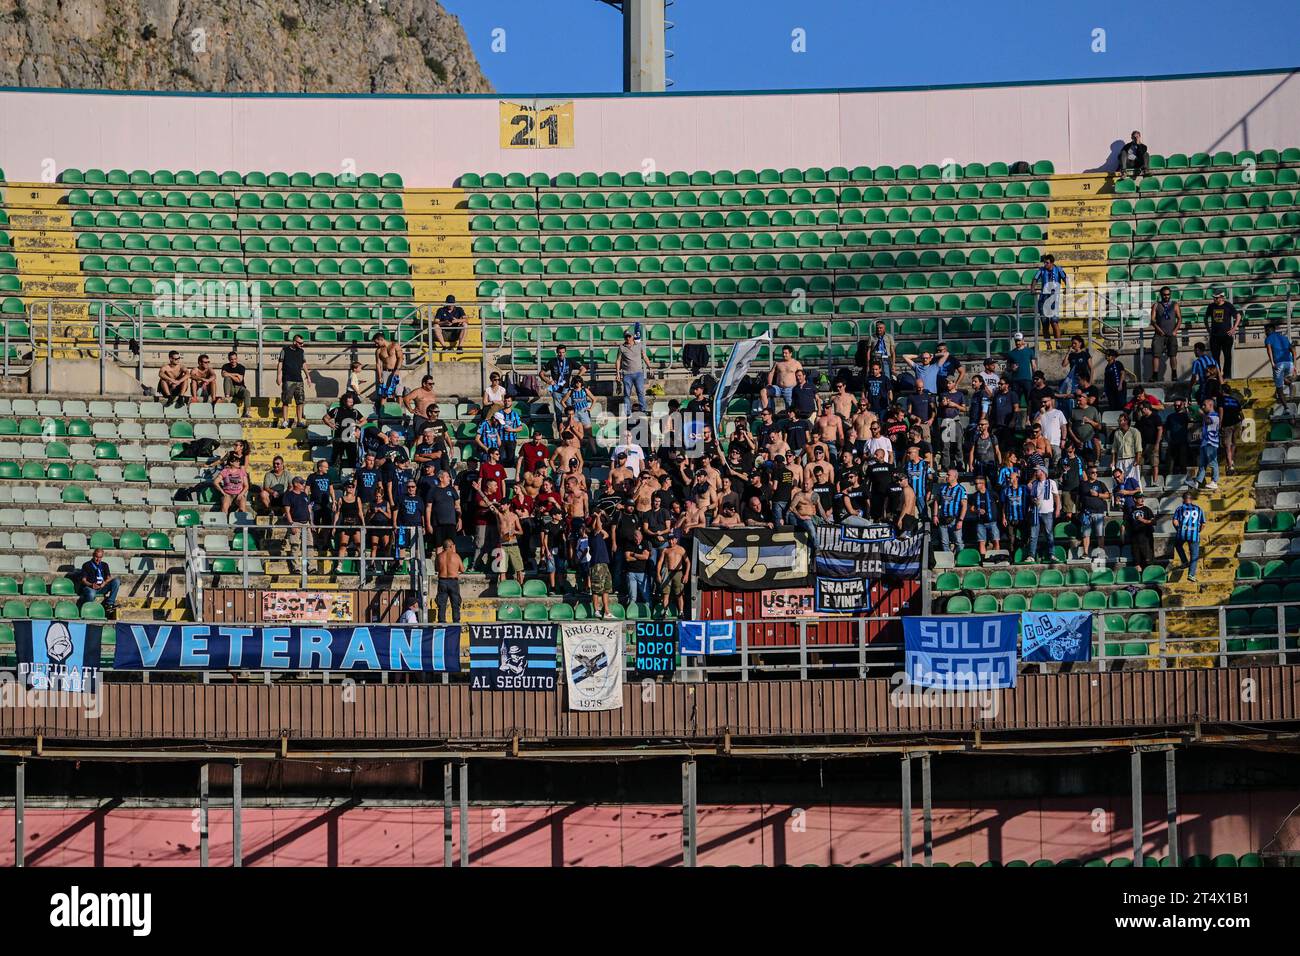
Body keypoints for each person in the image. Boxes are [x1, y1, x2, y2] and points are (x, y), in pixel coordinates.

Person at [1030, 254, 1067, 348]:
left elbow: (1065, 278)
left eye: (1047, 262)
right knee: (1045, 323)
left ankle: (1058, 343)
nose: (1045, 264)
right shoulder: (1041, 270)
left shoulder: (1058, 269)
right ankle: (1048, 344)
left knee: (1054, 322)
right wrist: (1033, 289)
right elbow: (1035, 279)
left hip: (1054, 299)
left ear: (1052, 262)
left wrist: (1068, 287)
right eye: (1044, 262)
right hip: (1043, 299)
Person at [1026, 465, 1060, 563]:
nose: (1035, 473)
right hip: (1036, 512)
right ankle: (1031, 555)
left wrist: (1057, 509)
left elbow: (1056, 497)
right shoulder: (1035, 484)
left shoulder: (1051, 482)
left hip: (1048, 512)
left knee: (1049, 534)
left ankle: (1052, 554)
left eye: (1037, 471)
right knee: (1033, 535)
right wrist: (1033, 500)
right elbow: (1031, 497)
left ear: (1043, 472)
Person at [1149, 287, 1182, 382]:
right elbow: (1152, 320)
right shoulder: (1156, 305)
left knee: (1173, 354)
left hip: (1171, 333)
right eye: (1164, 294)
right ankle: (1155, 375)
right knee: (1156, 354)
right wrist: (1158, 329)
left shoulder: (1174, 305)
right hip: (1159, 334)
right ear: (1161, 295)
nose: (1166, 296)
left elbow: (1179, 318)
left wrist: (1175, 330)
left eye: (1168, 294)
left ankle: (1174, 374)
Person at [1205, 290, 1240, 379]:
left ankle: (1227, 376)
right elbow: (1205, 318)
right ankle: (1218, 375)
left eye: (1216, 298)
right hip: (1215, 336)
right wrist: (1209, 330)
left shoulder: (1228, 306)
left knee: (1227, 357)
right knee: (1215, 357)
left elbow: (1238, 316)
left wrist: (1234, 328)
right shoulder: (1211, 306)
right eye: (1214, 298)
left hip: (1226, 336)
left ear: (1221, 297)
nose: (1214, 299)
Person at [324, 393, 364, 471]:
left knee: (352, 460)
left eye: (352, 402)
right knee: (336, 460)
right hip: (338, 439)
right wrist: (331, 424)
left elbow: (364, 420)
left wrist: (357, 426)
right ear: (344, 402)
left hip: (351, 440)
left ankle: (352, 477)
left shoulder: (355, 412)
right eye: (349, 402)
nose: (351, 404)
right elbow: (325, 418)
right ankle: (335, 477)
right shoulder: (337, 410)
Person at [275, 334, 309, 428]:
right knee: (286, 401)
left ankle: (299, 421)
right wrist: (278, 376)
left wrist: (308, 376)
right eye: (300, 343)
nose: (302, 345)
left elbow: (304, 364)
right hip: (288, 379)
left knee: (300, 401)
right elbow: (280, 363)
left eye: (303, 343)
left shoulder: (302, 351)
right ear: (294, 342)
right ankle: (285, 421)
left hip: (299, 380)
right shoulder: (285, 350)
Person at [76, 547, 120, 618]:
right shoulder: (86, 565)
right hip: (90, 587)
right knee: (92, 593)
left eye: (100, 557)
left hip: (101, 587)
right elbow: (83, 580)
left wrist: (104, 583)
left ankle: (109, 604)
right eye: (96, 557)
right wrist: (91, 585)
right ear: (93, 555)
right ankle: (87, 609)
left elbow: (109, 578)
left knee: (116, 581)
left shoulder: (104, 565)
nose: (98, 559)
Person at [1172, 490, 1205, 583]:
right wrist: (1198, 531)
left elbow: (1174, 521)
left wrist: (1179, 529)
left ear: (1183, 499)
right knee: (1194, 555)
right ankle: (1191, 574)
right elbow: (1203, 524)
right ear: (1192, 499)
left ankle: (1185, 561)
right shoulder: (1198, 509)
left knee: (1178, 545)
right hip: (1194, 534)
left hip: (1182, 533)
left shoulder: (1179, 508)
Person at [1078, 465, 1111, 558]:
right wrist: (1078, 510)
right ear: (1088, 474)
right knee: (1086, 534)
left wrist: (1097, 494)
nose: (1095, 474)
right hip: (1086, 512)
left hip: (1098, 512)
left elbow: (1108, 495)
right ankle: (1085, 553)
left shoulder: (1101, 484)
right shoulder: (1083, 484)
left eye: (1096, 472)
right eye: (1093, 472)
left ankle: (1102, 553)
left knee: (1100, 534)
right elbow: (1078, 498)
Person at [932, 468, 966, 555]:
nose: (946, 476)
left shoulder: (961, 489)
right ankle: (948, 560)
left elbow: (964, 506)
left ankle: (959, 559)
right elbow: (936, 501)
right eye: (946, 474)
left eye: (948, 475)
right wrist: (935, 515)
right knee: (944, 542)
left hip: (955, 519)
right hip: (943, 519)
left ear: (955, 477)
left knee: (958, 541)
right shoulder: (942, 488)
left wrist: (961, 520)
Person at [615, 330, 650, 414]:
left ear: (633, 336)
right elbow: (618, 360)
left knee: (640, 392)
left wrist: (650, 367)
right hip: (627, 374)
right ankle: (627, 412)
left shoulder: (639, 345)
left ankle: (643, 409)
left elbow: (644, 356)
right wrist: (617, 373)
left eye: (629, 336)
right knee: (627, 394)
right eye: (626, 336)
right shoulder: (621, 347)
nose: (628, 338)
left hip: (638, 373)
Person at [1265, 321, 1297, 408]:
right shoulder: (1284, 338)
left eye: (1265, 331)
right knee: (1283, 379)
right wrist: (1294, 366)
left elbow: (1269, 350)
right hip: (1289, 363)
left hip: (1279, 364)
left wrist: (1272, 362)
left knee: (1279, 389)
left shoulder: (1269, 338)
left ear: (1268, 330)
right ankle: (1291, 384)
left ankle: (1286, 408)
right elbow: (1294, 352)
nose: (1265, 333)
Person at [656, 534, 690, 619]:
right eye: (669, 540)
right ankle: (665, 611)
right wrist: (658, 574)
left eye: (672, 540)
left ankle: (681, 612)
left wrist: (686, 574)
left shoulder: (681, 549)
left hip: (678, 572)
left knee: (679, 593)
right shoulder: (665, 550)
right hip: (667, 572)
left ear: (676, 540)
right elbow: (660, 562)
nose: (671, 542)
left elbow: (688, 562)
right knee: (665, 593)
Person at [372, 332, 403, 418]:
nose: (376, 344)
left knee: (398, 393)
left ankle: (399, 413)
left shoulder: (395, 345)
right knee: (384, 394)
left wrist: (397, 369)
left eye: (376, 342)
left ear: (381, 339)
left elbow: (400, 357)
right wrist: (380, 376)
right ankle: (382, 413)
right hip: (385, 372)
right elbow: (378, 364)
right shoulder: (378, 350)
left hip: (396, 371)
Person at [1192, 397, 1221, 490]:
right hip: (1204, 442)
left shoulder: (1215, 416)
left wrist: (1202, 414)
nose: (1203, 407)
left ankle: (1214, 481)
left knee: (1213, 462)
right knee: (1202, 464)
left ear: (1211, 405)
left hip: (1211, 443)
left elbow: (1208, 421)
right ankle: (1197, 482)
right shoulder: (1208, 415)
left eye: (1205, 405)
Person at [763, 344, 803, 411]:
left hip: (790, 388)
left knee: (790, 408)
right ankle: (767, 412)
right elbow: (771, 373)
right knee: (763, 391)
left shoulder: (796, 363)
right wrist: (769, 383)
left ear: (790, 353)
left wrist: (800, 385)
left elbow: (802, 375)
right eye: (783, 353)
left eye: (786, 353)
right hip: (778, 388)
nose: (784, 355)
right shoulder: (778, 363)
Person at [969, 474, 1000, 556]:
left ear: (983, 484)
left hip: (992, 521)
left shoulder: (992, 493)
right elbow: (971, 508)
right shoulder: (974, 495)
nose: (975, 485)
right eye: (975, 484)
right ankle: (983, 558)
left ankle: (997, 557)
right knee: (981, 542)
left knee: (996, 540)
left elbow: (998, 502)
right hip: (981, 523)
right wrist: (977, 511)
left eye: (977, 484)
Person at [1000, 469, 1028, 557]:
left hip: (1022, 518)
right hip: (1010, 518)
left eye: (1011, 478)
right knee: (1011, 539)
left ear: (1016, 478)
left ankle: (1023, 556)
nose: (1009, 480)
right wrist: (1003, 517)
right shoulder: (1005, 490)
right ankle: (1012, 557)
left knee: (1024, 538)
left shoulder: (1024, 488)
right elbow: (1004, 505)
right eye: (1008, 478)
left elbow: (1030, 500)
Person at [335, 477, 365, 558]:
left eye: (352, 487)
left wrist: (363, 524)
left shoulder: (357, 499)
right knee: (343, 545)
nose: (351, 488)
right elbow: (337, 513)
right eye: (349, 486)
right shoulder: (341, 499)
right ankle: (340, 563)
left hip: (356, 524)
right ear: (345, 488)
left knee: (359, 544)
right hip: (345, 524)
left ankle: (362, 564)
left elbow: (360, 512)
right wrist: (334, 525)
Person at [434, 539, 463, 623]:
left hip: (442, 581)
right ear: (451, 546)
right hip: (453, 581)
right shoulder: (456, 556)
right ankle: (456, 622)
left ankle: (441, 622)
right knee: (455, 604)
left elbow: (436, 568)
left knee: (441, 604)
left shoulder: (439, 556)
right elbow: (462, 569)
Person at [1110, 412, 1143, 485]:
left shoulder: (1135, 431)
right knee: (1119, 480)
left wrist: (1137, 460)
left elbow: (1138, 448)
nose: (1120, 422)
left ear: (1127, 421)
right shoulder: (1117, 433)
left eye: (1122, 420)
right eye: (1119, 420)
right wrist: (1113, 461)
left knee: (1133, 480)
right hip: (1120, 459)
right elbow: (1114, 448)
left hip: (1131, 459)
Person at [1127, 493, 1156, 572]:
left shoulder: (1147, 509)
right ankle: (1139, 578)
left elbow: (1153, 522)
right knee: (1137, 561)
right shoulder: (1130, 509)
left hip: (1146, 537)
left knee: (1148, 559)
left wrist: (1142, 520)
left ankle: (1149, 576)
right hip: (1135, 538)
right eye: (1140, 498)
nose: (1142, 500)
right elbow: (1126, 522)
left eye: (1143, 498)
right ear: (1134, 499)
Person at [1005, 331, 1037, 399]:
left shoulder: (1029, 351)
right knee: (1015, 401)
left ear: (1023, 340)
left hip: (1027, 379)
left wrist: (1035, 377)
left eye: (1019, 340)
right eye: (1016, 341)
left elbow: (1033, 366)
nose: (1017, 342)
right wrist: (1012, 368)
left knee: (1029, 400)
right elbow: (1007, 368)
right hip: (1015, 380)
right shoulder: (1011, 353)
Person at [220, 350, 250, 416]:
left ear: (237, 359)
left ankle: (247, 412)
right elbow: (223, 375)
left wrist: (229, 374)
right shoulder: (225, 366)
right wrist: (236, 375)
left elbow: (240, 380)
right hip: (231, 388)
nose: (233, 361)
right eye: (231, 359)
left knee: (247, 392)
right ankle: (227, 398)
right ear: (229, 359)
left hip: (240, 388)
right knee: (227, 378)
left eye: (235, 359)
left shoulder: (241, 367)